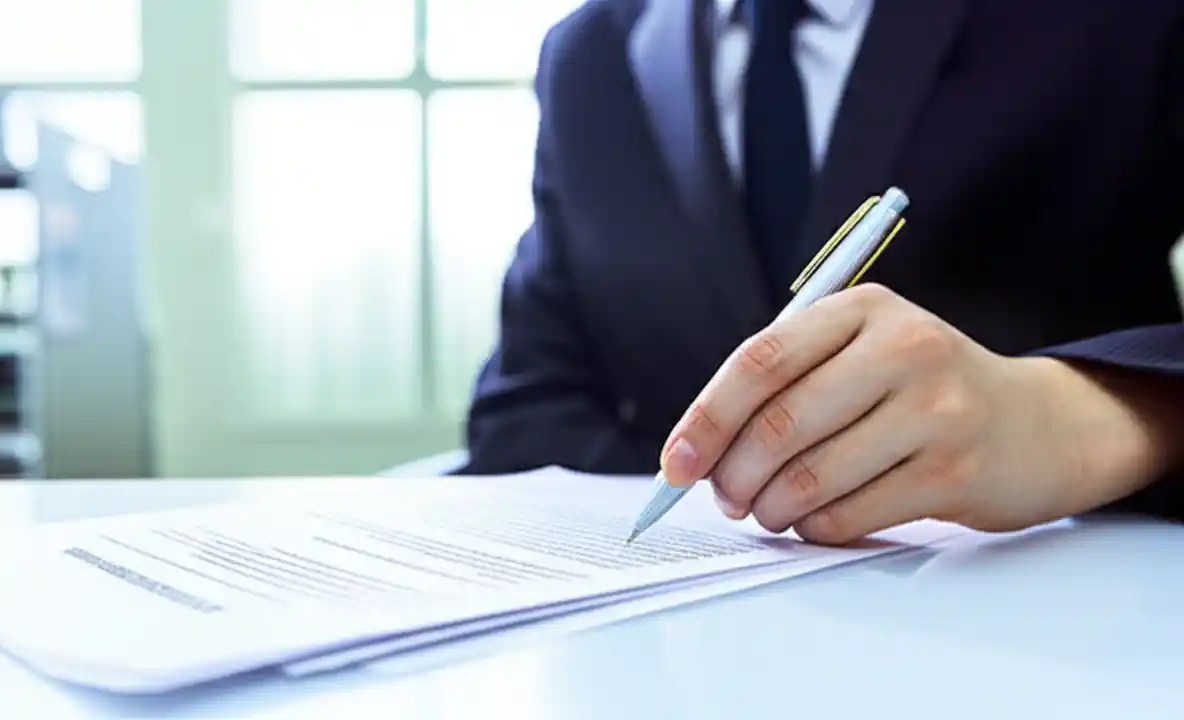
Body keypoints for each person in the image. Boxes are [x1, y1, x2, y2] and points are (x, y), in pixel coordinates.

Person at [462, 0, 1184, 543]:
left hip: (1045, 623)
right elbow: (524, 415)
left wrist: (1093, 417)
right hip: (683, 644)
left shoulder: (1120, 17)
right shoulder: (591, 53)